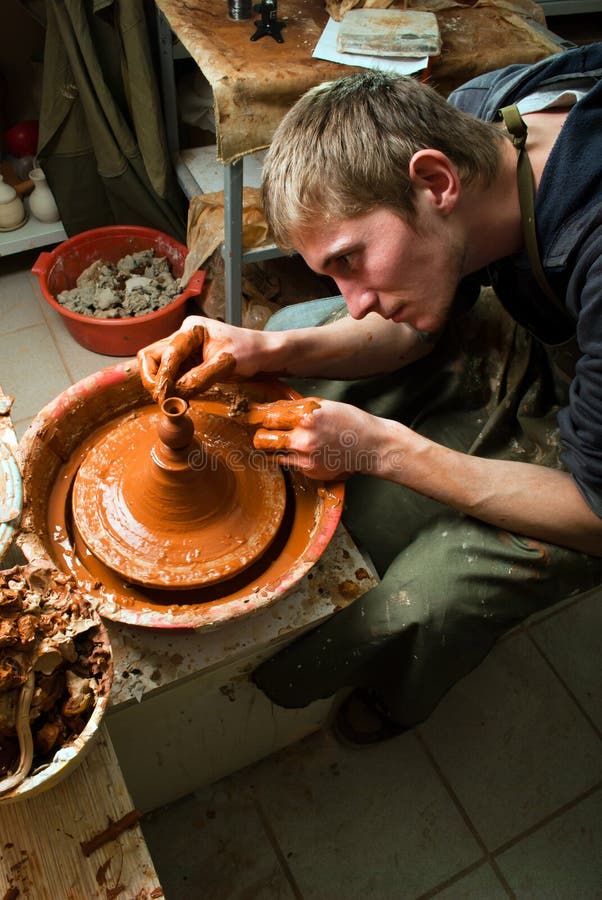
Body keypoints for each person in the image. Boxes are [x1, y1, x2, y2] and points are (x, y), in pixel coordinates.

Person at [138, 43, 602, 744]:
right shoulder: (475, 121)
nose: (354, 302)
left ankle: (400, 696)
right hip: (548, 315)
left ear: (435, 181)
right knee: (297, 333)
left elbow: (597, 513)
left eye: (351, 260)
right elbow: (415, 327)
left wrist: (382, 449)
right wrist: (267, 347)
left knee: (437, 590)